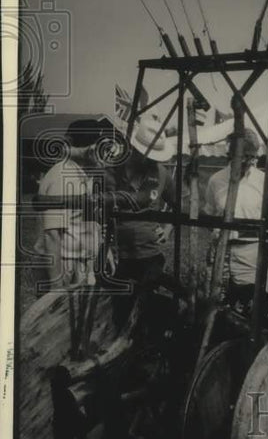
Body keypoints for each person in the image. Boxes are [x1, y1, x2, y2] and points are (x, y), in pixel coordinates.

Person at [107, 112, 177, 330]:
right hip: (121, 256)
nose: (150, 162)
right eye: (146, 156)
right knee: (119, 309)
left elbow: (179, 206)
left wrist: (168, 228)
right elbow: (101, 212)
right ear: (134, 148)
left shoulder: (162, 173)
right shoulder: (112, 172)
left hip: (150, 257)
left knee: (146, 307)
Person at [34, 119, 106, 291]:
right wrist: (56, 287)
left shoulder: (80, 174)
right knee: (59, 316)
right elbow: (52, 235)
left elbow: (86, 222)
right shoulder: (63, 175)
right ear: (91, 149)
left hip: (77, 261)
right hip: (62, 265)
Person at [203, 128, 264, 315]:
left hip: (251, 250)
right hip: (222, 249)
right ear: (231, 155)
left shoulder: (264, 181)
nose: (248, 162)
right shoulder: (216, 181)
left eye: (252, 157)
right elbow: (209, 213)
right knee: (217, 305)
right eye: (243, 156)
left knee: (249, 305)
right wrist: (214, 243)